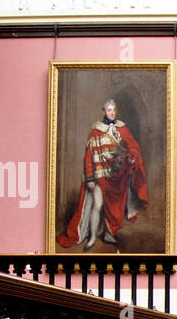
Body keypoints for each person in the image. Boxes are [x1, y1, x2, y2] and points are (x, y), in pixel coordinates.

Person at [57, 98, 149, 250]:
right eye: (109, 110)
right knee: (97, 206)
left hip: (117, 177)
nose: (112, 113)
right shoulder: (95, 132)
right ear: (104, 112)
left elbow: (133, 147)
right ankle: (92, 237)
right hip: (99, 177)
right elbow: (88, 157)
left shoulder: (122, 129)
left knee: (112, 208)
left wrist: (131, 157)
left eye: (114, 110)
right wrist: (90, 178)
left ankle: (108, 234)